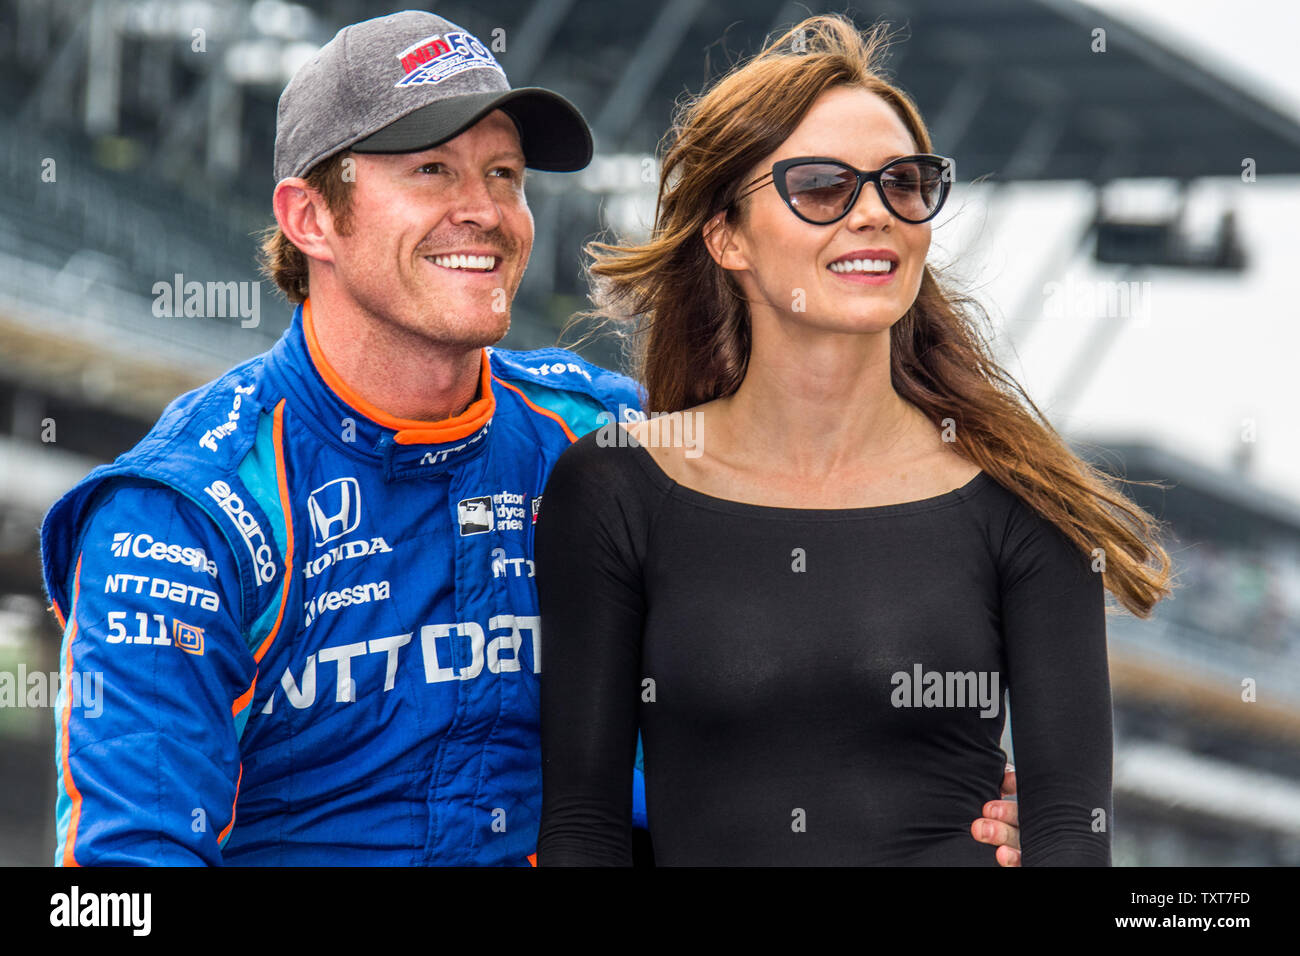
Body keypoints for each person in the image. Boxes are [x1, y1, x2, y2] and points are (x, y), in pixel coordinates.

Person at [39, 10, 1024, 866]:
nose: (486, 210)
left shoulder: (598, 435)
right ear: (310, 219)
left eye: (503, 172)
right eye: (432, 169)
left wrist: (968, 802)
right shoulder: (187, 511)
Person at [534, 15, 1174, 866]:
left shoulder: (1023, 498)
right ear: (726, 236)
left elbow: (1070, 838)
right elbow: (584, 829)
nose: (876, 214)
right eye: (824, 187)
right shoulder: (612, 489)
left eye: (904, 184)